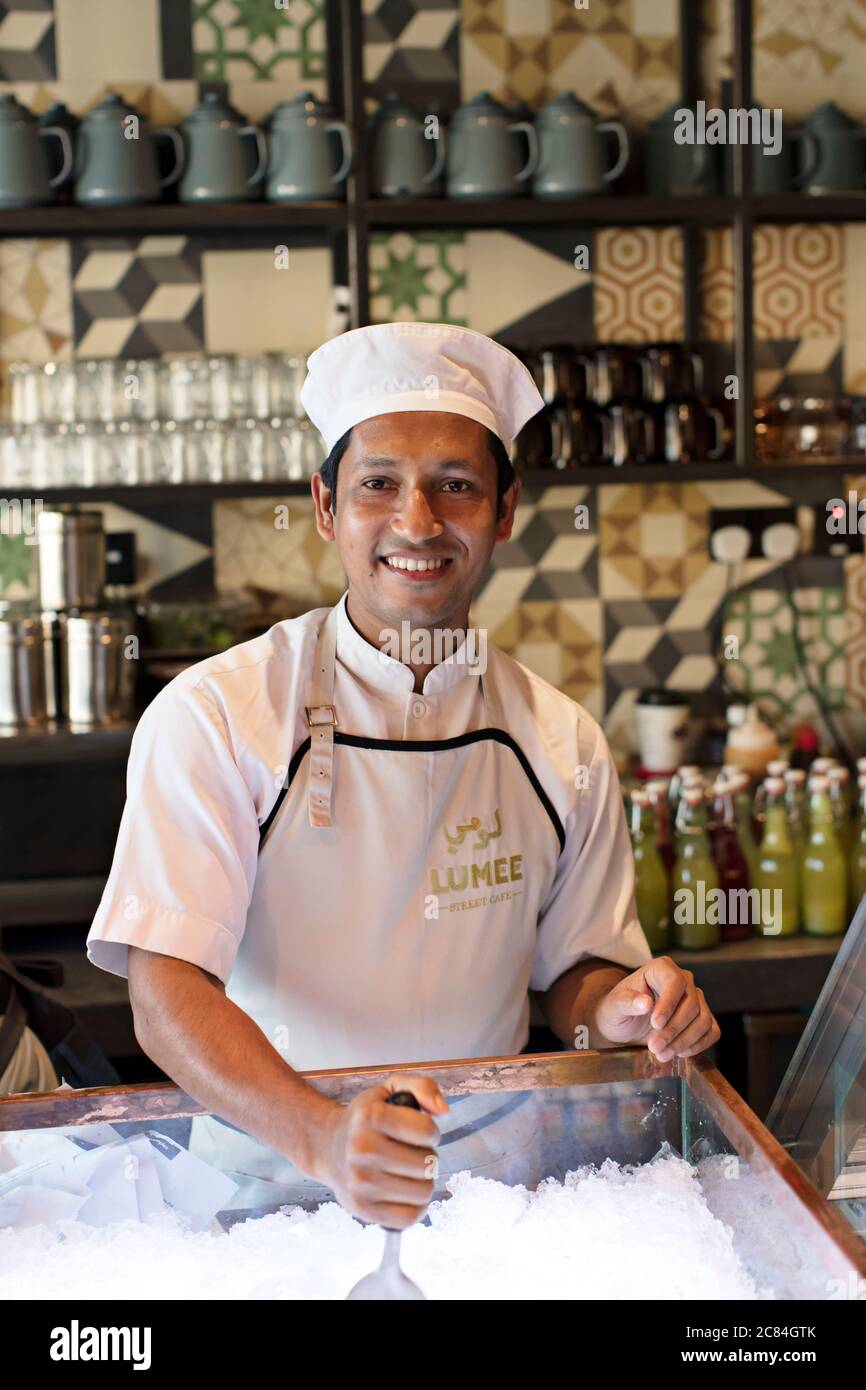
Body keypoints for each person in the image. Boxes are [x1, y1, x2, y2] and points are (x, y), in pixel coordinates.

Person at [87, 322, 720, 1228]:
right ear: (324, 507)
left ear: (504, 511)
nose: (416, 523)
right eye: (378, 484)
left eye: (455, 486)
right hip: (267, 1201)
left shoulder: (562, 739)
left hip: (494, 1201)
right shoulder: (218, 715)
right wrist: (322, 1138)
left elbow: (573, 978)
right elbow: (166, 993)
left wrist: (617, 1012)